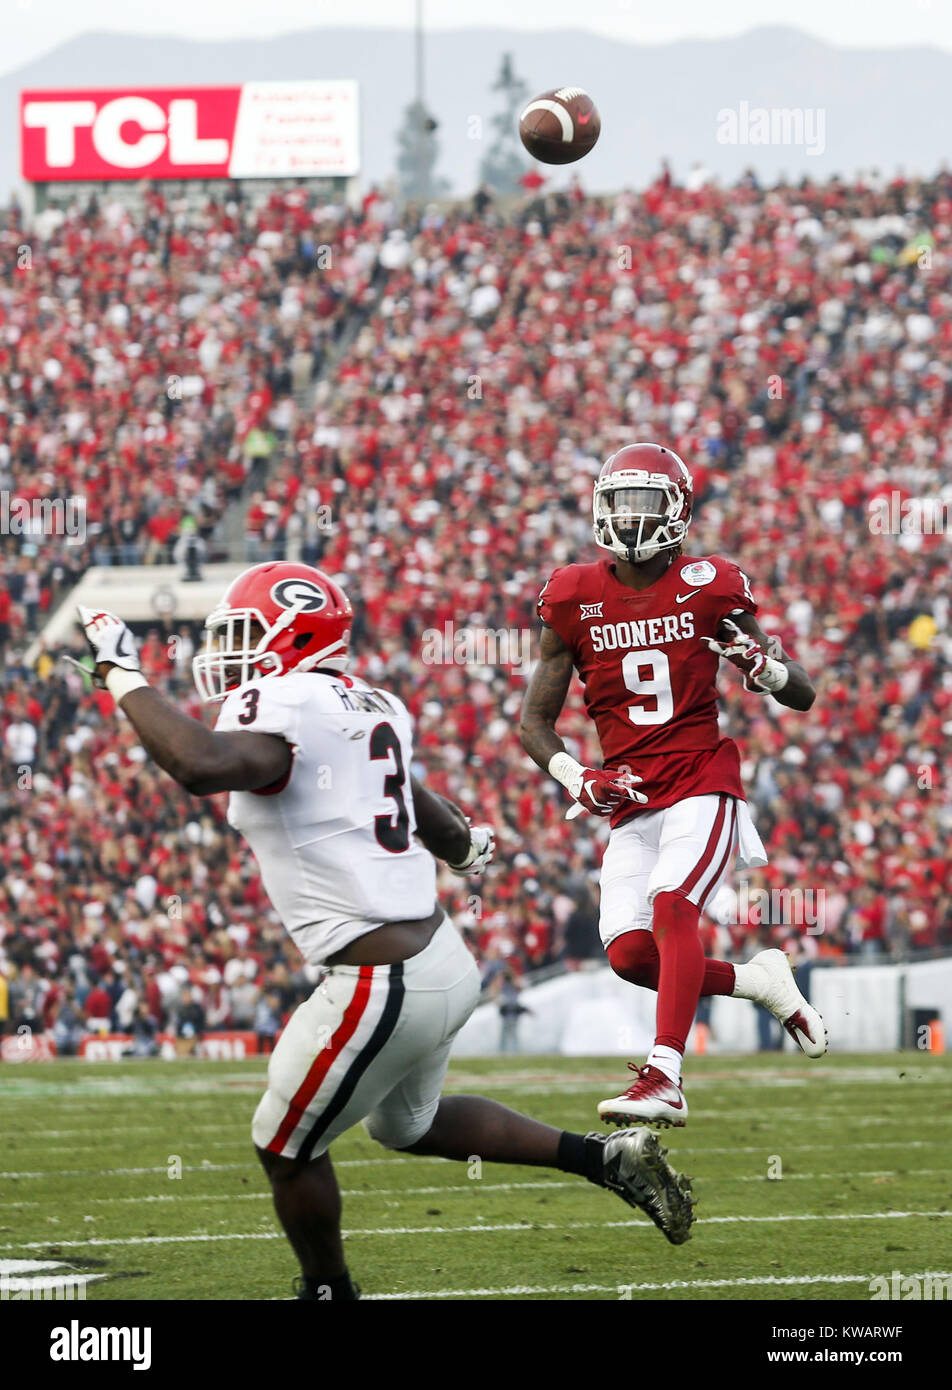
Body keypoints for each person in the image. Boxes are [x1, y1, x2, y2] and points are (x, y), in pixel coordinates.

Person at [71, 561, 696, 1300]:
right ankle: (605, 1160)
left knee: (283, 1146)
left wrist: (121, 674)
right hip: (437, 960)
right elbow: (406, 789)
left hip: (381, 978)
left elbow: (202, 766)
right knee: (409, 1125)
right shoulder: (368, 702)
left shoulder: (286, 702)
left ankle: (328, 1291)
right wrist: (460, 844)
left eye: (243, 634)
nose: (229, 653)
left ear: (294, 635)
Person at [520, 442, 826, 1128]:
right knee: (631, 955)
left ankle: (664, 1075)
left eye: (644, 501)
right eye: (619, 501)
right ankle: (761, 983)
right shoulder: (573, 595)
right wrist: (577, 777)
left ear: (677, 510)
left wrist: (765, 669)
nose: (629, 517)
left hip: (700, 779)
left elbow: (801, 692)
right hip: (631, 798)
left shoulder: (710, 585)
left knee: (672, 908)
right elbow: (535, 724)